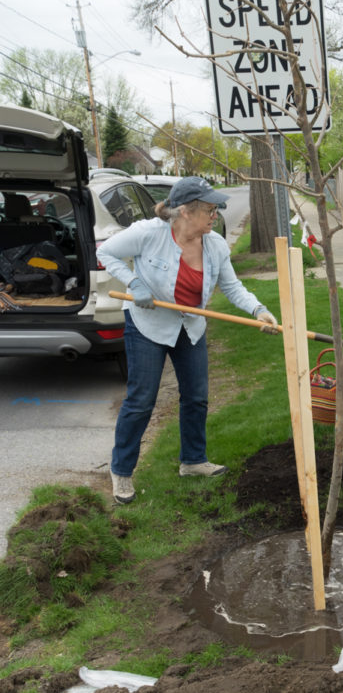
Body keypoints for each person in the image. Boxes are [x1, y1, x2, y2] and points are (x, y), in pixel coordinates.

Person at [99, 176, 277, 506]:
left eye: (216, 209)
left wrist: (259, 310)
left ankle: (193, 460)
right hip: (148, 325)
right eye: (210, 209)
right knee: (141, 400)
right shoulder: (148, 233)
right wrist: (134, 282)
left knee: (196, 396)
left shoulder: (215, 245)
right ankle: (121, 470)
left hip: (189, 325)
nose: (215, 215)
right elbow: (106, 252)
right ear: (185, 211)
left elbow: (232, 287)